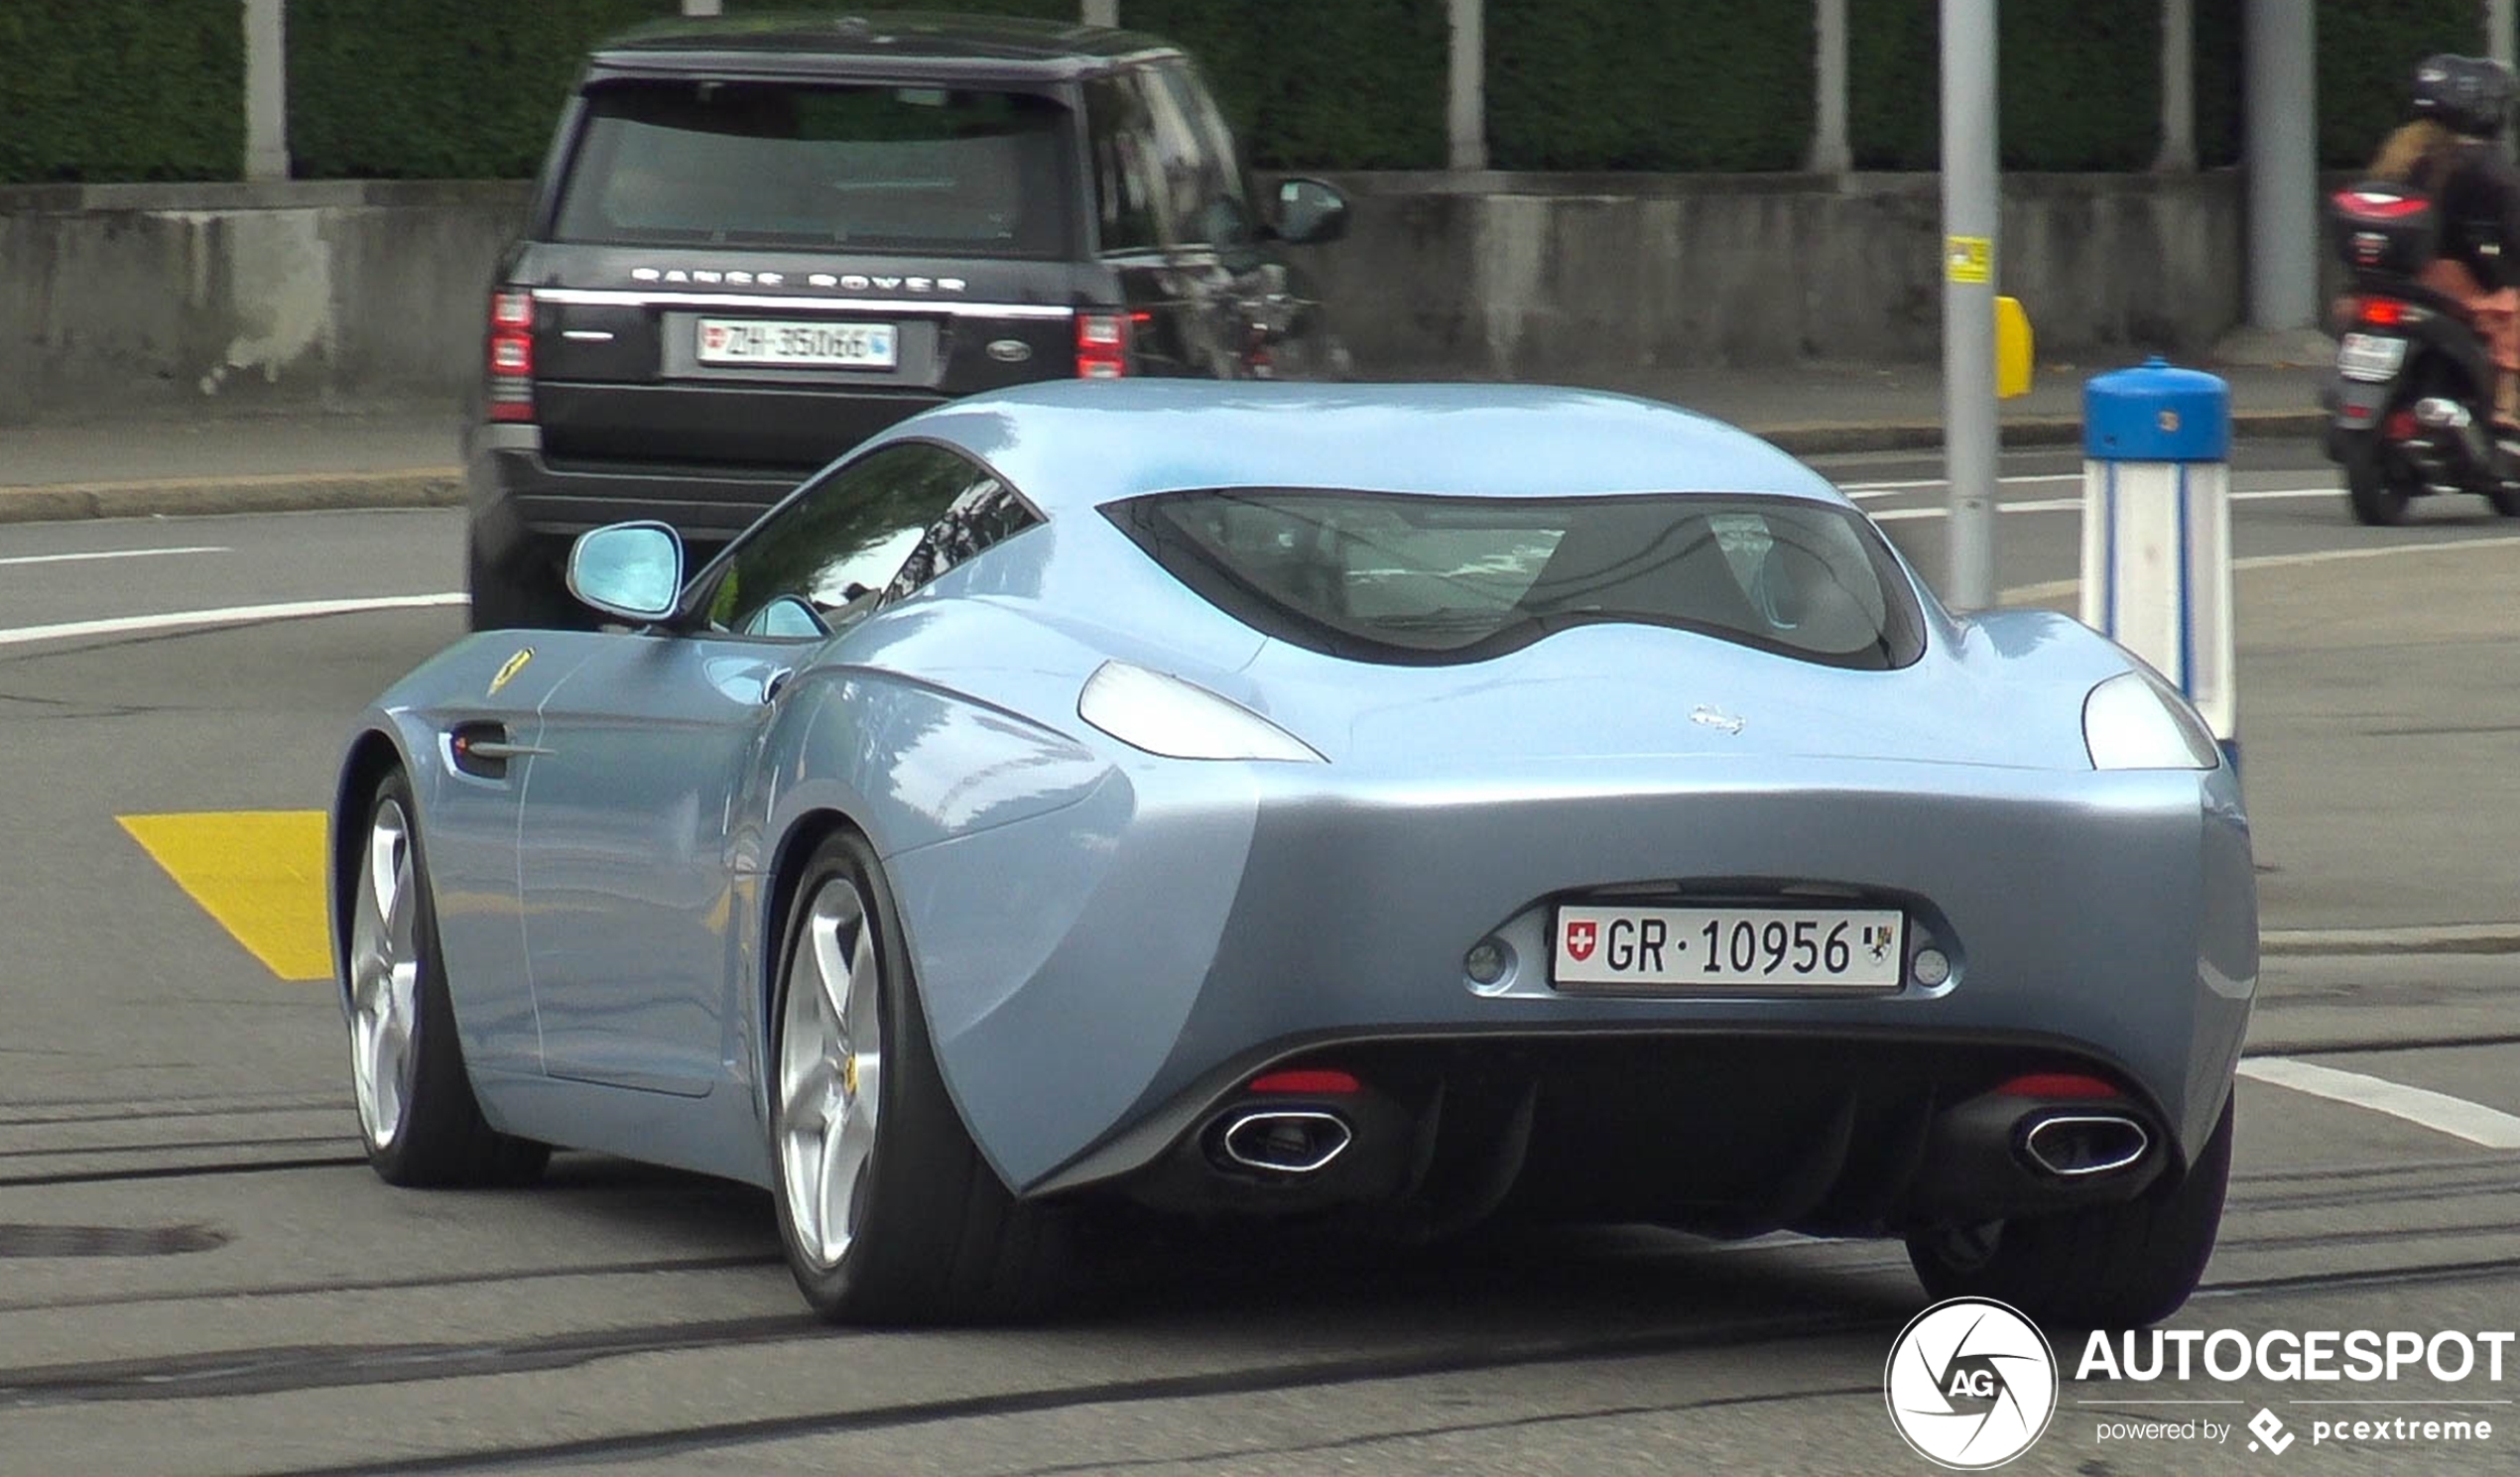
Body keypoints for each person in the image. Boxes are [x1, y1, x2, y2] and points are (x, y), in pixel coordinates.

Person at [2369, 55, 2520, 430]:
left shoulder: (2400, 154)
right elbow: (2500, 230)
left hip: (2393, 278)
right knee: (2511, 314)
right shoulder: (2481, 164)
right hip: (2449, 282)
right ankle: (2506, 403)